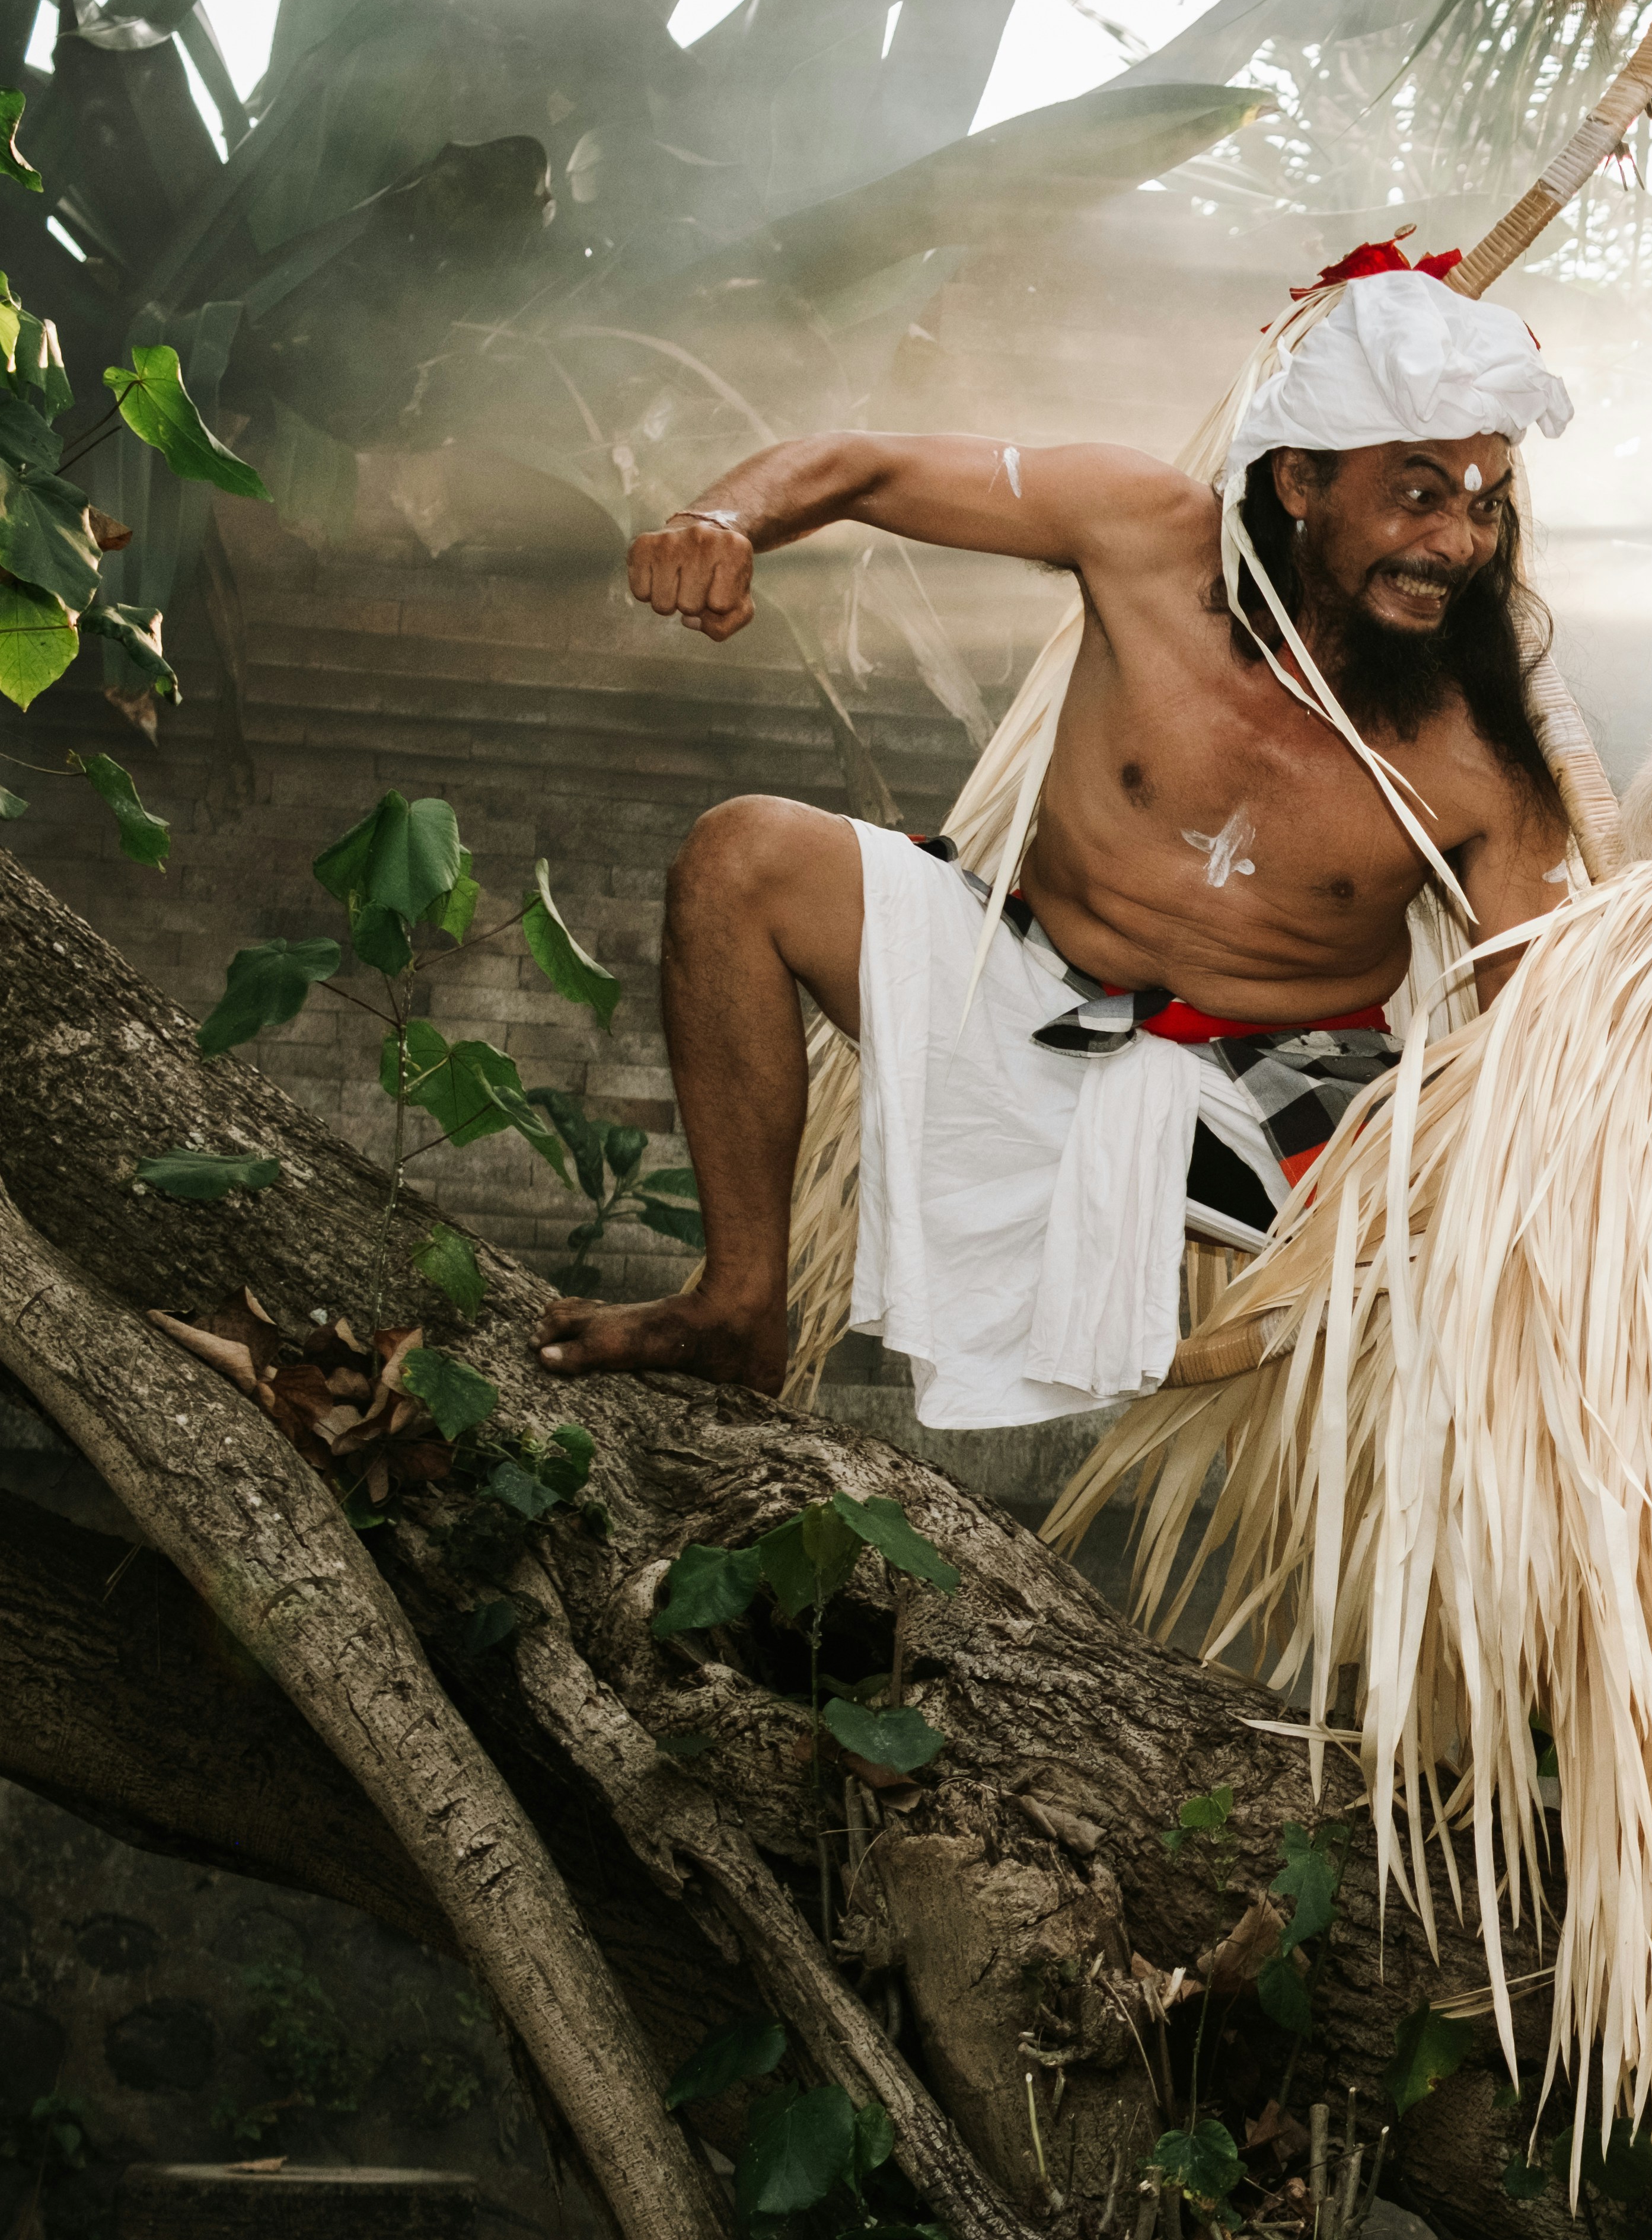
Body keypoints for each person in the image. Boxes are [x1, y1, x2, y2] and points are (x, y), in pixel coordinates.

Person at [535, 248, 1584, 1421]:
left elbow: (1538, 1052)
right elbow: (864, 465)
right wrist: (725, 517)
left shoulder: (1482, 762)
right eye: (1421, 490)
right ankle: (736, 1306)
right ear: (1299, 478)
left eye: (1486, 502)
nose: (1458, 543)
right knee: (744, 856)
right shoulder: (1144, 533)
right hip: (1028, 990)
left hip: (1274, 1114)